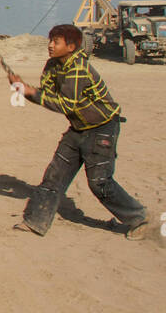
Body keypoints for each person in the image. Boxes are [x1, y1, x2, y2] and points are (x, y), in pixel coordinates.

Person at [8, 24, 149, 240]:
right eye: (51, 41)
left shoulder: (78, 69)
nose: (50, 46)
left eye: (56, 42)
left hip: (102, 128)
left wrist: (29, 92)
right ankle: (36, 221)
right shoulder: (53, 66)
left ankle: (140, 219)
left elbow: (66, 105)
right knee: (53, 177)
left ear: (71, 46)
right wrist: (24, 89)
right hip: (79, 128)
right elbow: (46, 93)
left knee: (100, 183)